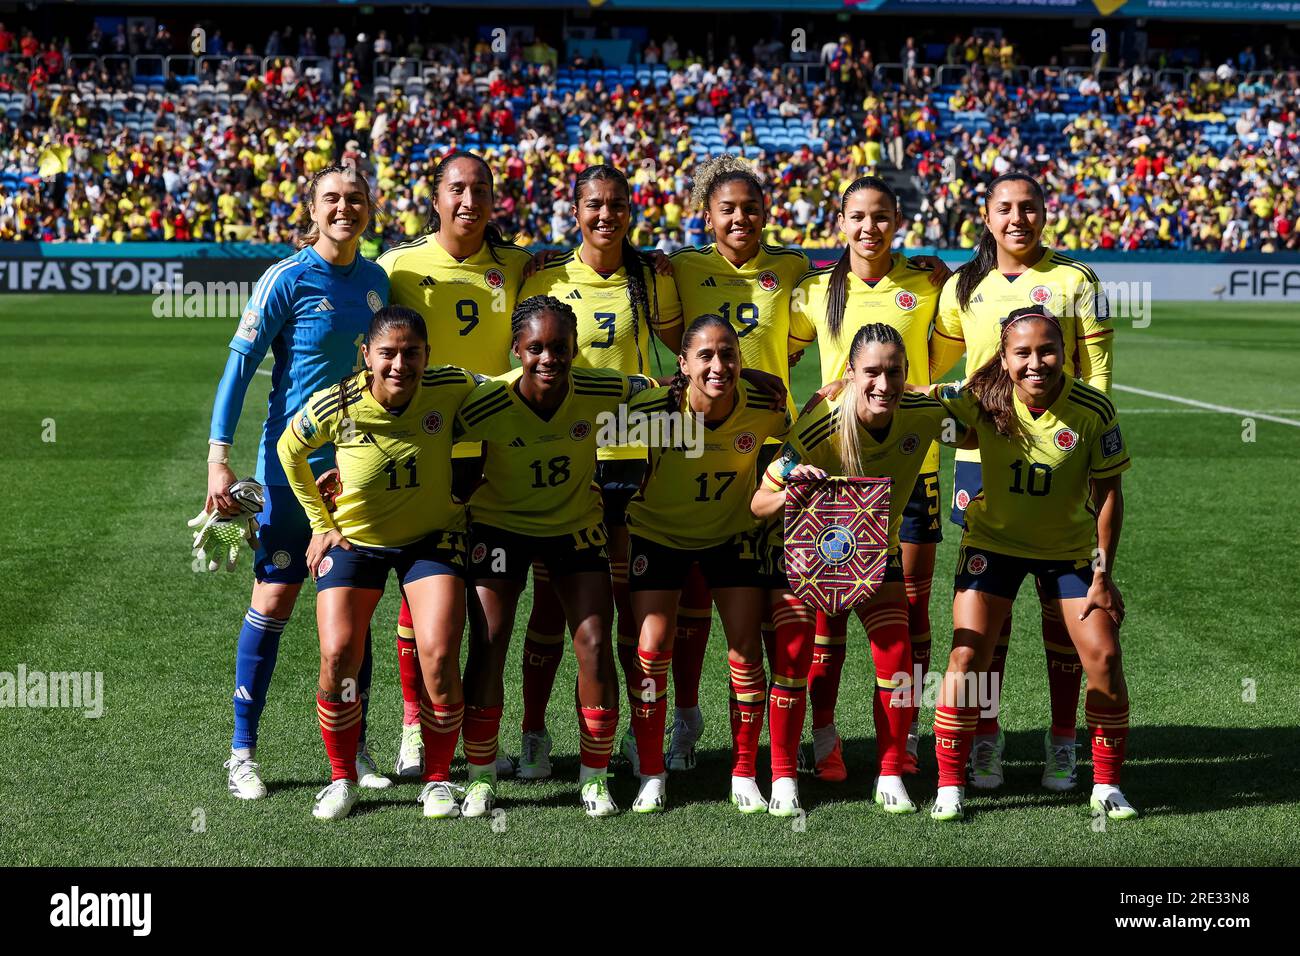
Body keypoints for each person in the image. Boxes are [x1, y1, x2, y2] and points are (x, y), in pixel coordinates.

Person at [205, 164, 390, 800]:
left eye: (355, 199)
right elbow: (239, 366)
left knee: (353, 612)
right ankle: (242, 752)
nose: (345, 208)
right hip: (290, 475)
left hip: (357, 476)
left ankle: (357, 746)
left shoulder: (377, 281)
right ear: (312, 211)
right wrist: (217, 459)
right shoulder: (285, 278)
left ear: (371, 208)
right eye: (332, 200)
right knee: (275, 600)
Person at [930, 171, 1113, 793]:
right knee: (989, 621)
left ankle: (1064, 743)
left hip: (1059, 454)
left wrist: (1084, 458)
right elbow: (937, 367)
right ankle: (986, 740)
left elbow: (1099, 376)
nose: (1018, 219)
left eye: (1029, 207)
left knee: (1061, 617)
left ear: (1045, 212)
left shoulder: (1076, 280)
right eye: (1005, 208)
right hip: (980, 465)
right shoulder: (963, 284)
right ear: (986, 214)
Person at [752, 323, 972, 815]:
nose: (883, 384)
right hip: (809, 560)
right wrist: (792, 490)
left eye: (894, 372)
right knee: (795, 658)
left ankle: (890, 771)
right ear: (849, 374)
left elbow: (977, 428)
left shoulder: (924, 415)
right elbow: (759, 502)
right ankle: (786, 776)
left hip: (876, 557)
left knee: (898, 659)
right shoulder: (819, 428)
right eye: (871, 372)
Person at [929, 308, 1134, 821]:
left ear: (1065, 351)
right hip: (992, 545)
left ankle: (1102, 781)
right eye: (1022, 353)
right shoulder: (982, 401)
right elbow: (913, 401)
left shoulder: (1093, 409)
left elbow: (1109, 493)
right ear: (1004, 357)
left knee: (1105, 660)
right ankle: (952, 783)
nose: (1036, 362)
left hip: (1068, 552)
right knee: (964, 659)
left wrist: (1104, 575)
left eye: (1047, 350)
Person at [453, 295, 654, 818]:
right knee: (490, 639)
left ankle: (593, 778)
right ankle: (479, 777)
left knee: (592, 640)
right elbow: (429, 430)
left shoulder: (601, 389)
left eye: (560, 347)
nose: (549, 358)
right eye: (536, 347)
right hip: (500, 528)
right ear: (517, 349)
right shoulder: (484, 403)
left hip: (573, 527)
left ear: (574, 349)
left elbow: (664, 393)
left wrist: (753, 384)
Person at [513, 164, 683, 779]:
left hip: (633, 455)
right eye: (594, 204)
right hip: (566, 457)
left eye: (616, 204)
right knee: (551, 609)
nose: (605, 215)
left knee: (626, 608)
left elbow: (685, 348)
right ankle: (534, 734)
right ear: (575, 209)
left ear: (630, 210)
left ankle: (638, 739)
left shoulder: (651, 277)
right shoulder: (547, 275)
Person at [277, 307, 480, 820]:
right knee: (338, 653)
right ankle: (342, 777)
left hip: (430, 541)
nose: (399, 364)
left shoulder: (450, 386)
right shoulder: (338, 403)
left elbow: (509, 389)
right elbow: (289, 449)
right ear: (366, 356)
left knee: (437, 654)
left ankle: (436, 781)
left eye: (411, 353)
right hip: (357, 544)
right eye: (387, 353)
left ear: (427, 355)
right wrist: (320, 521)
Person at [376, 150, 532, 780]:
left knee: (493, 606)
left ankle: (489, 740)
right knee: (422, 602)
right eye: (457, 190)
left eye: (481, 191)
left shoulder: (520, 266)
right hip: (423, 459)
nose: (469, 202)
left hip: (499, 457)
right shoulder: (397, 267)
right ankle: (416, 727)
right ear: (435, 198)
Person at [791, 175, 950, 781]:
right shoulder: (814, 292)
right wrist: (807, 400)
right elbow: (778, 353)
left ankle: (911, 736)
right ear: (841, 219)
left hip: (912, 469)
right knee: (828, 615)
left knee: (911, 611)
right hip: (837, 476)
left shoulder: (929, 282)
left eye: (881, 216)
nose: (869, 228)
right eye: (857, 216)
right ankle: (824, 736)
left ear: (898, 219)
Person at [623, 314, 791, 813]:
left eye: (729, 354)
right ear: (683, 363)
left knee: (745, 650)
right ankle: (652, 772)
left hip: (731, 534)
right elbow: (584, 430)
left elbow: (794, 443)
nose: (719, 366)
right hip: (658, 535)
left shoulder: (765, 405)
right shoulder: (649, 409)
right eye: (706, 356)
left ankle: (743, 772)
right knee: (651, 649)